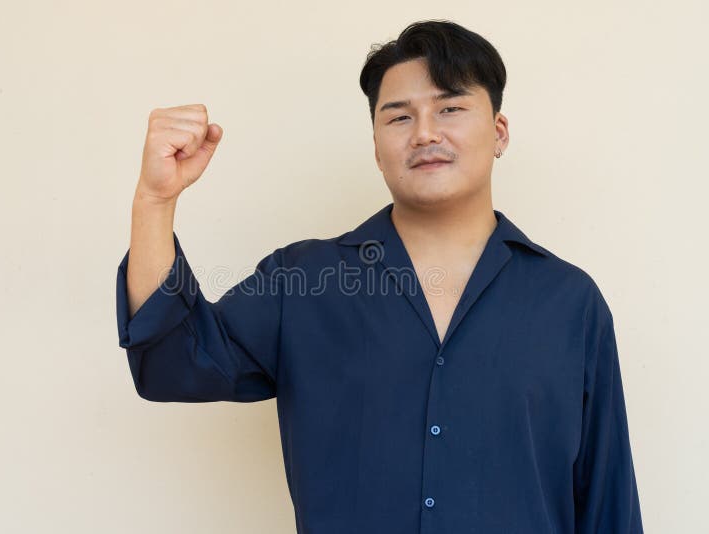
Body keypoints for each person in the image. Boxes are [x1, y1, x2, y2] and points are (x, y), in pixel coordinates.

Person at [116, 19, 644, 534]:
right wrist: (155, 200)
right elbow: (168, 363)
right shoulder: (303, 282)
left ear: (499, 131)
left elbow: (607, 500)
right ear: (376, 145)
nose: (426, 133)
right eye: (399, 118)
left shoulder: (570, 303)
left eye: (451, 107)